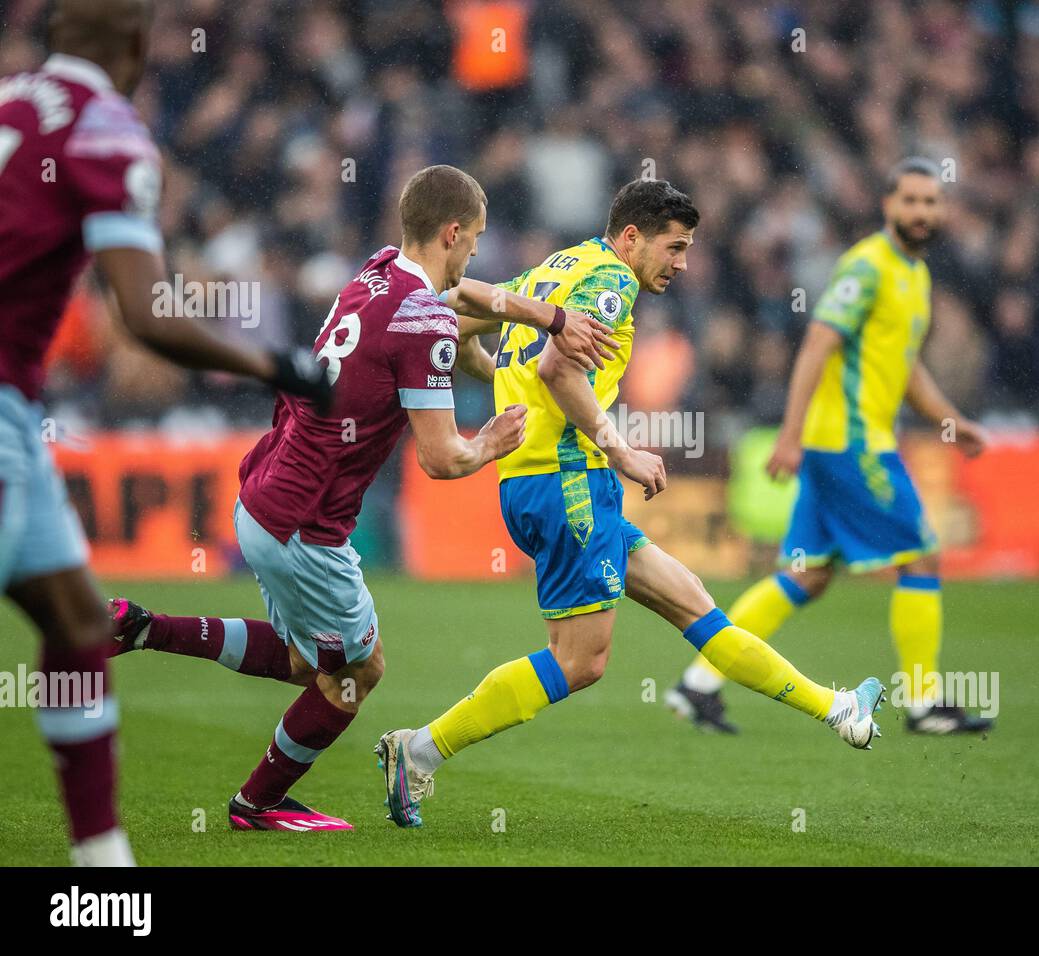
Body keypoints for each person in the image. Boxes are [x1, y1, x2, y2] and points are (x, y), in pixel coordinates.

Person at [107, 165, 618, 831]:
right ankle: (256, 804)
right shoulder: (426, 323)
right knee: (356, 673)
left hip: (265, 494)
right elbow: (441, 458)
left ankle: (142, 626)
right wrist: (492, 442)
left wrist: (543, 318)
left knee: (304, 659)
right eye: (474, 239)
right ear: (452, 232)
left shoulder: (378, 270)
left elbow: (461, 301)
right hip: (307, 525)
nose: (474, 254)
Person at [376, 179, 887, 828]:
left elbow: (472, 327)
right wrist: (621, 449)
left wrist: (482, 364)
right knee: (580, 661)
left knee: (693, 602)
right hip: (568, 480)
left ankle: (839, 710)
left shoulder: (557, 267)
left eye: (688, 250)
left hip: (551, 480)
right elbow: (556, 371)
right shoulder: (610, 285)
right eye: (673, 248)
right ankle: (418, 751)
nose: (681, 263)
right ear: (630, 238)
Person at [0, 0, 332, 866]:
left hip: (19, 418)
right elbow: (148, 313)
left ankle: (102, 858)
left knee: (76, 621)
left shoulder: (7, 104)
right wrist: (278, 366)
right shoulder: (108, 129)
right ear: (134, 44)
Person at [666, 158, 994, 736]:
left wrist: (950, 421)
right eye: (910, 200)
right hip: (850, 444)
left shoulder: (915, 277)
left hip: (839, 443)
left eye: (930, 201)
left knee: (808, 574)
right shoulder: (868, 267)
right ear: (888, 206)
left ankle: (698, 685)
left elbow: (905, 367)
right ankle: (923, 703)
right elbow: (816, 343)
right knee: (920, 553)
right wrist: (790, 435)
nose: (921, 211)